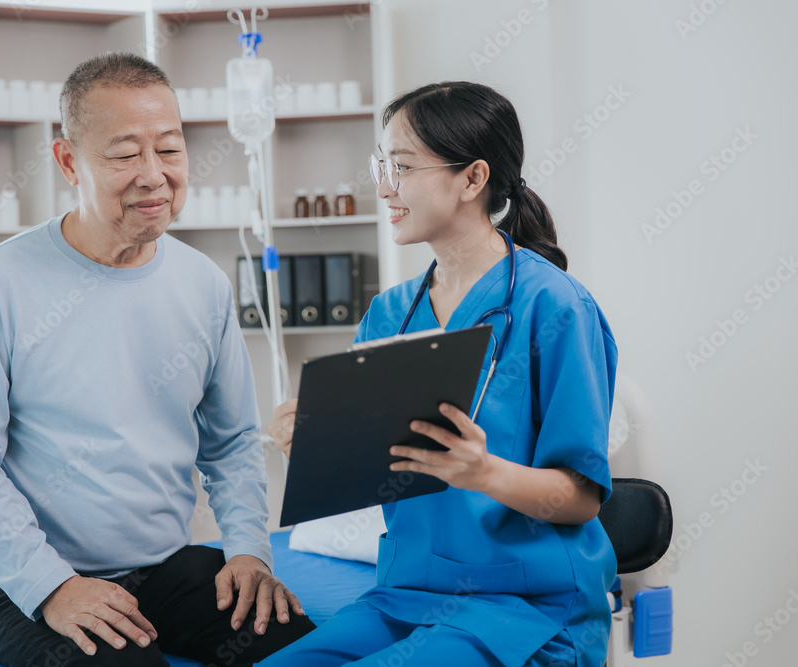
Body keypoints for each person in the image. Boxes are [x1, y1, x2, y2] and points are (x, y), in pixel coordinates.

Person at [0, 52, 314, 667]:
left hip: (165, 569)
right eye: (124, 154)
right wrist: (51, 586)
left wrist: (246, 551)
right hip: (27, 582)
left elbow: (233, 442)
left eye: (169, 149)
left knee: (301, 649)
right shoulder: (1, 281)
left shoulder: (204, 284)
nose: (154, 175)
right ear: (67, 161)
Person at [261, 81, 618, 666]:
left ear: (473, 179)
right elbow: (371, 469)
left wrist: (483, 472)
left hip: (527, 606)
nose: (382, 188)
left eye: (400, 167)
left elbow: (579, 500)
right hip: (406, 591)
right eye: (381, 165)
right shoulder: (389, 314)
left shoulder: (555, 308)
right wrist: (313, 445)